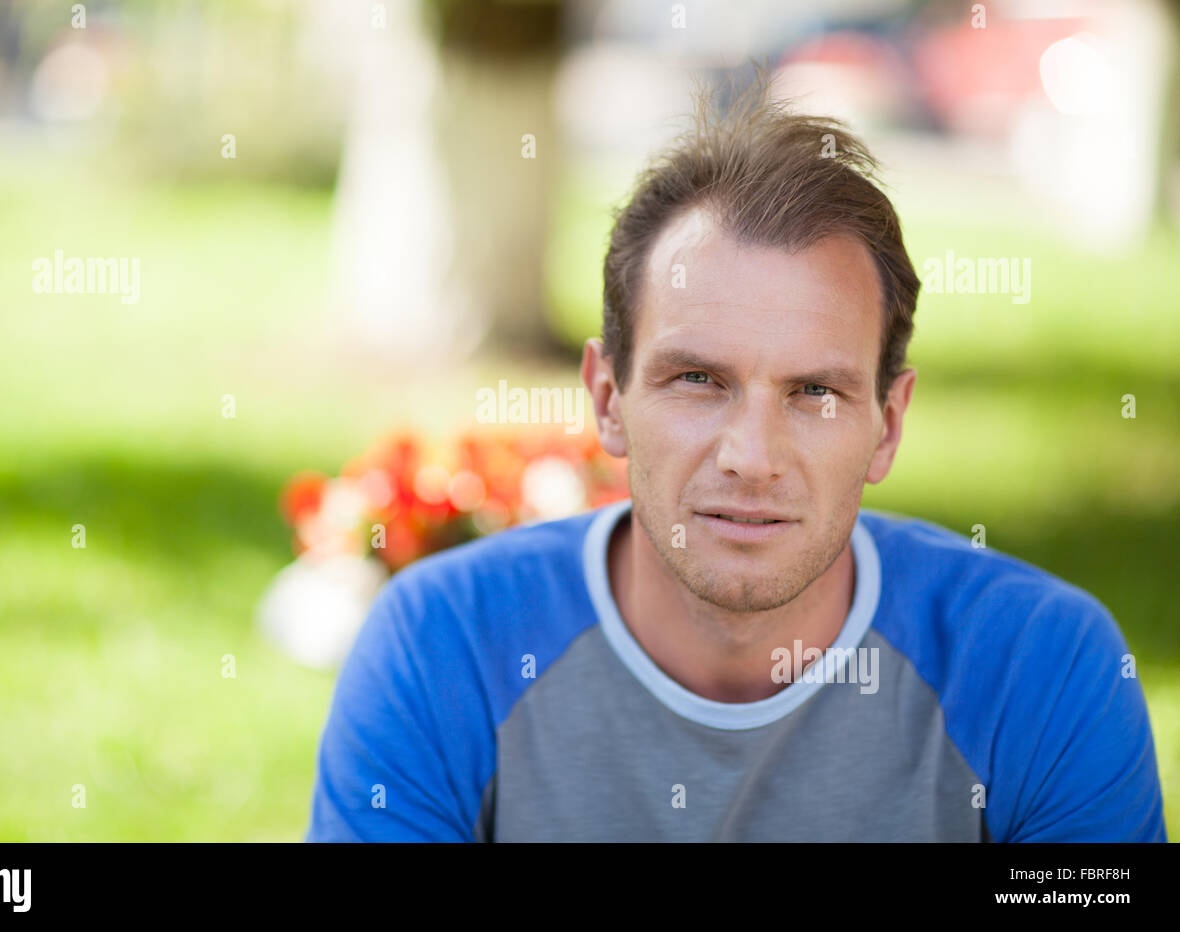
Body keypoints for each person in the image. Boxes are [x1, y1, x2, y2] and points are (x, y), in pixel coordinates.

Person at [305, 83, 1166, 842]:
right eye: (698, 379)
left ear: (888, 423)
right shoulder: (441, 647)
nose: (752, 459)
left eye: (815, 392)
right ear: (607, 398)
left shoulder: (1039, 665)